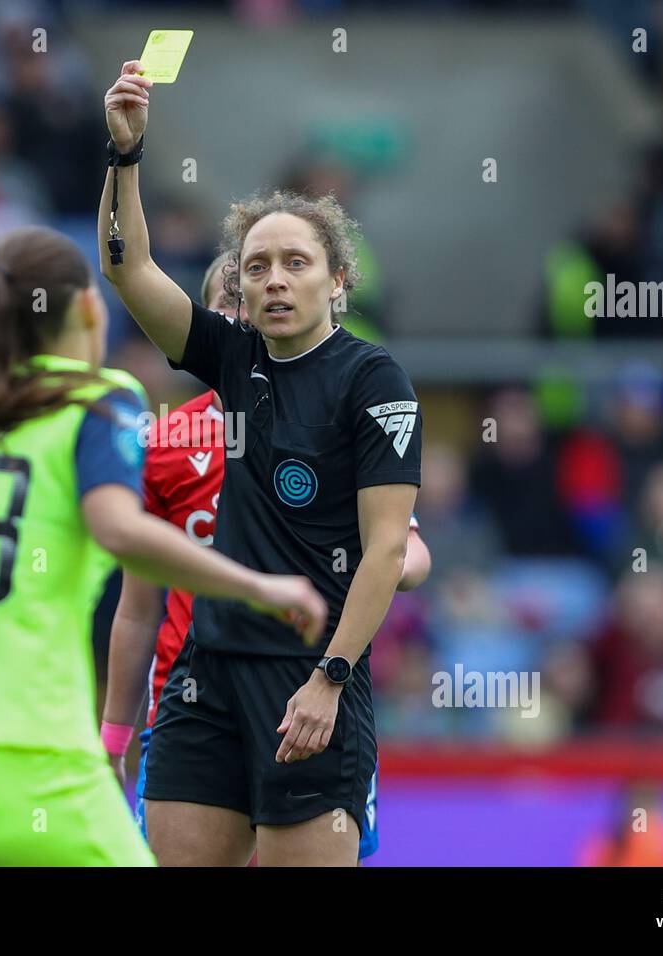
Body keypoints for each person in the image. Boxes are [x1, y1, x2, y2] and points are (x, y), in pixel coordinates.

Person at [0, 225, 326, 866]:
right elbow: (119, 530)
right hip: (26, 756)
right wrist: (257, 585)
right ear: (90, 309)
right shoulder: (100, 403)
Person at [98, 63, 423, 866]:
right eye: (256, 267)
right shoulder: (232, 359)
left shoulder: (372, 378)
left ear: (338, 280)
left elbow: (385, 550)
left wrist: (331, 677)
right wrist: (124, 152)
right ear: (238, 289)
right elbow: (124, 267)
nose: (274, 280)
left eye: (296, 263)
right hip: (203, 681)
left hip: (308, 675)